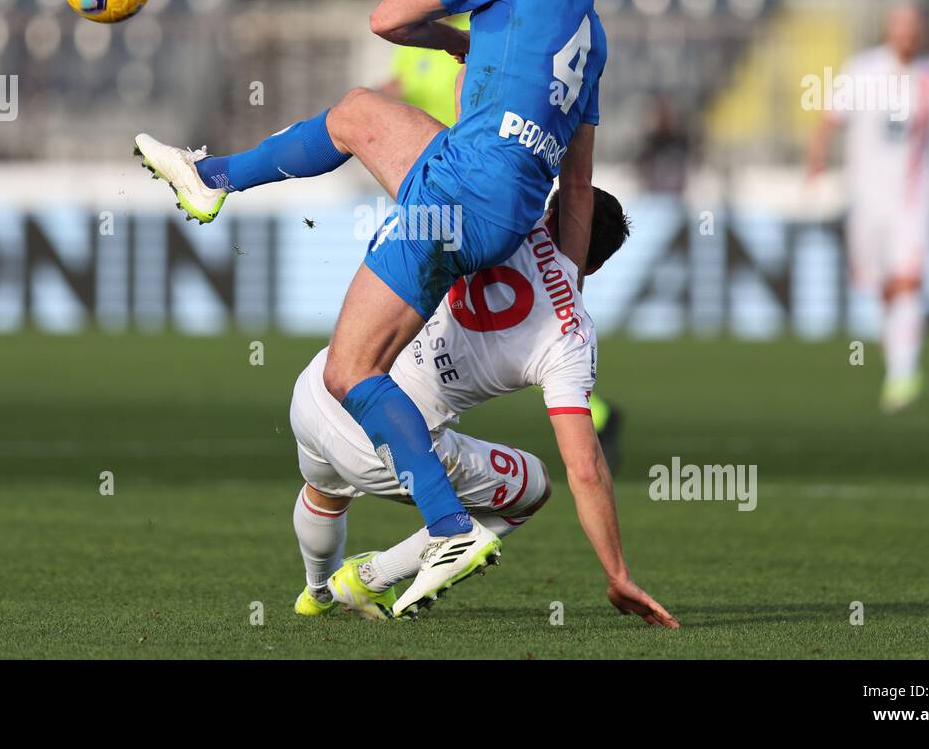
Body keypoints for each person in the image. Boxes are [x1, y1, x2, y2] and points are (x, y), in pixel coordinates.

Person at [135, 0, 605, 606]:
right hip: (501, 195)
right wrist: (567, 290)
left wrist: (448, 37)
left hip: (458, 189)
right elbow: (577, 184)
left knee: (349, 373)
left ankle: (448, 527)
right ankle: (212, 177)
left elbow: (385, 18)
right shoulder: (590, 20)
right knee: (356, 112)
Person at [290, 187, 677, 625]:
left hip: (324, 382)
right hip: (382, 446)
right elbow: (585, 468)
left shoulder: (495, 214)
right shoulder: (570, 336)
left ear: (549, 208)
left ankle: (317, 591)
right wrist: (617, 573)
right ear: (598, 264)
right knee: (532, 488)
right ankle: (370, 577)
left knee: (324, 492)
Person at [379, 0, 625, 472]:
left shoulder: (501, 32)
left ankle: (594, 413)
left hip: (469, 175)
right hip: (442, 158)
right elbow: (404, 81)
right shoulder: (432, 40)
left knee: (477, 297)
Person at [806, 3, 929, 412]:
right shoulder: (862, 71)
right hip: (867, 201)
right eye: (901, 26)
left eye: (914, 27)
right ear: (888, 29)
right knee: (883, 287)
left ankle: (903, 375)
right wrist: (815, 164)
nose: (908, 34)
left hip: (913, 200)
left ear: (921, 33)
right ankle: (899, 365)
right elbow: (829, 121)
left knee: (909, 279)